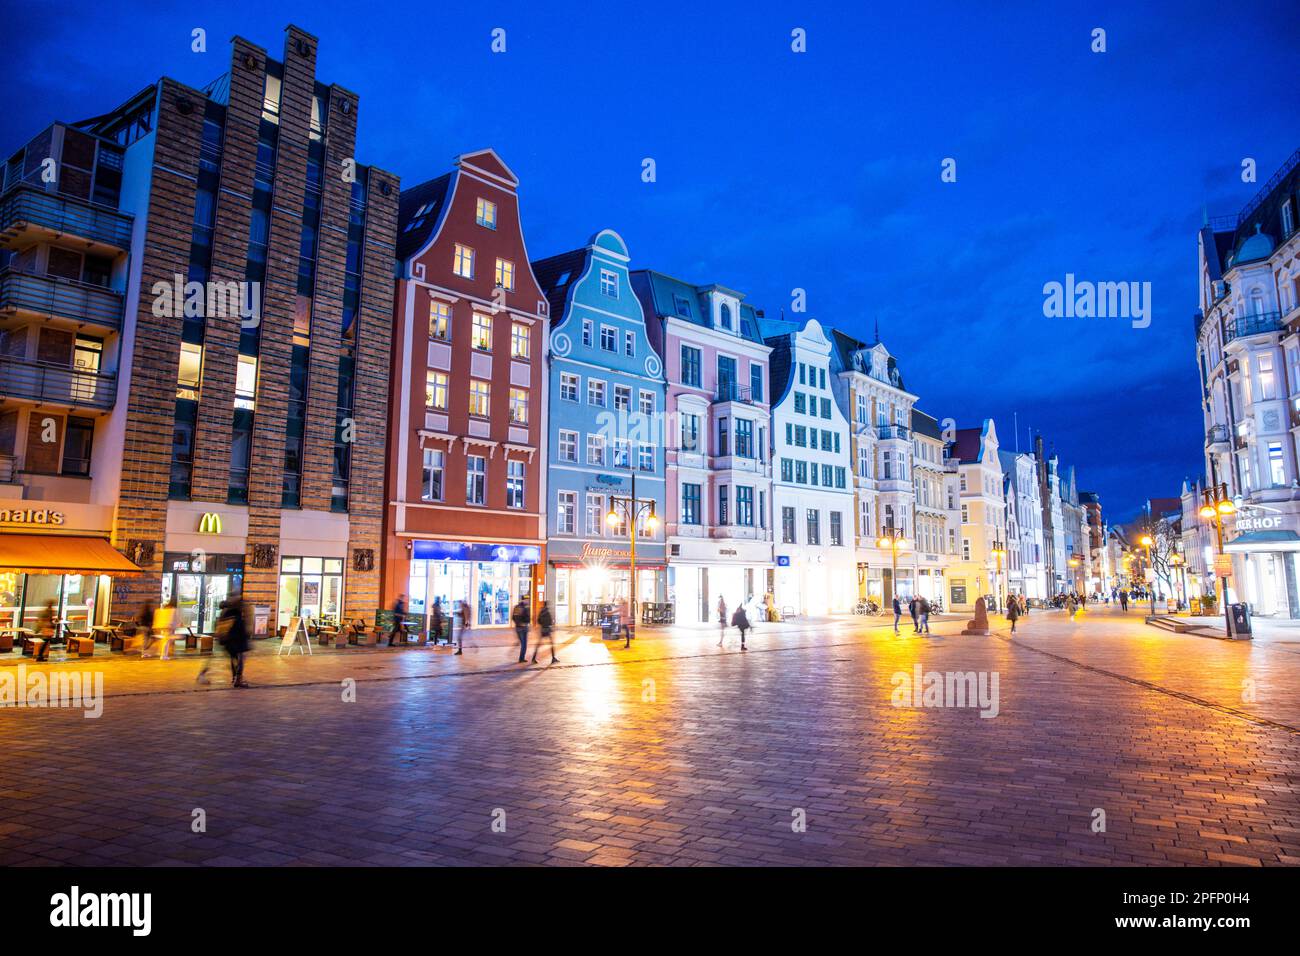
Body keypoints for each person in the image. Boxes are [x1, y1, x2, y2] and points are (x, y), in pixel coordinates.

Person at [531, 600, 558, 664]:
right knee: (551, 644)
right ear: (547, 605)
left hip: (542, 629)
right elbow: (550, 621)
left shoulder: (541, 611)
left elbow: (538, 621)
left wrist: (542, 625)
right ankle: (553, 658)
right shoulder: (547, 612)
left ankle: (533, 658)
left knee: (539, 644)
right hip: (547, 630)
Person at [512, 598, 531, 663]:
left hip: (518, 628)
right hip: (523, 628)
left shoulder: (516, 607)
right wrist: (524, 623)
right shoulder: (525, 608)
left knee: (522, 642)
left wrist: (518, 623)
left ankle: (521, 658)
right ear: (524, 600)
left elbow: (513, 618)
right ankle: (521, 658)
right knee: (524, 644)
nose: (528, 601)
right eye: (527, 600)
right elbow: (528, 619)